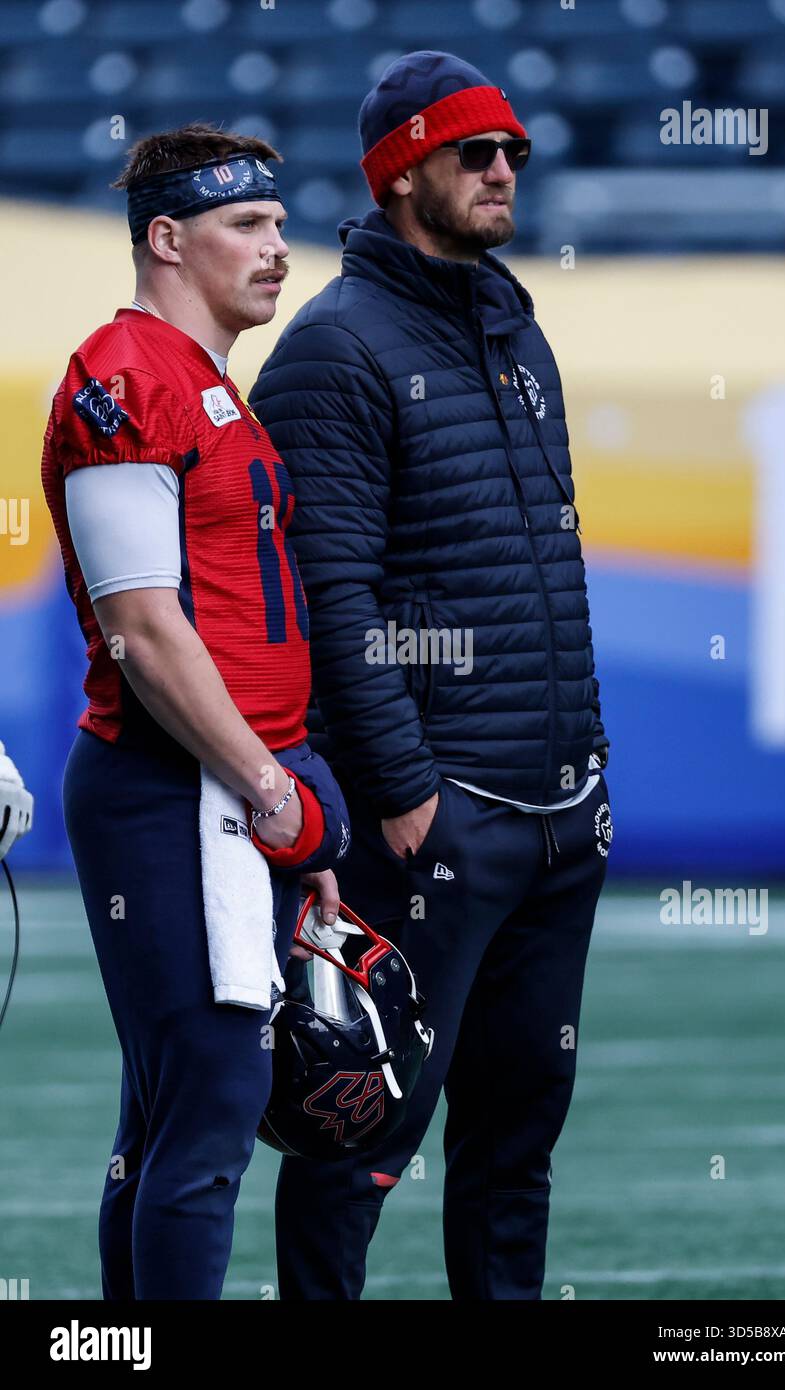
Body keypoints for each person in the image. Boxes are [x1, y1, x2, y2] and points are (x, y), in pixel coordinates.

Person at [250, 52, 613, 1301]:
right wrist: (406, 793)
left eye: (512, 149)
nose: (505, 168)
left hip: (559, 817)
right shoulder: (333, 347)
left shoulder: (519, 326)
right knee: (358, 1138)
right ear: (404, 170)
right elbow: (328, 596)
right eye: (476, 151)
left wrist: (590, 770)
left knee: (518, 1146)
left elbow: (550, 573)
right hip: (434, 822)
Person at [40, 122, 347, 1301]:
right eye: (247, 225)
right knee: (211, 1110)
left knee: (173, 1112)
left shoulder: (210, 382)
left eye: (277, 221)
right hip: (174, 787)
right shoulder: (126, 377)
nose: (280, 248)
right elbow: (145, 628)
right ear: (166, 239)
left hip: (228, 787)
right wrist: (275, 794)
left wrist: (289, 800)